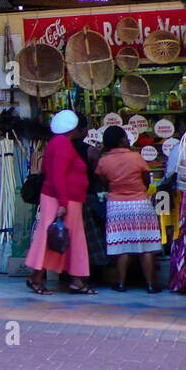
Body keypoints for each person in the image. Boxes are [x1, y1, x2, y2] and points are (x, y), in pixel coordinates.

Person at [25, 109, 95, 295]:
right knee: (54, 238)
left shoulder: (56, 143)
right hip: (63, 199)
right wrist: (63, 203)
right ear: (73, 128)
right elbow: (57, 175)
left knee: (64, 238)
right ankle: (37, 278)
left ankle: (75, 279)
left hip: (64, 198)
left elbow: (48, 170)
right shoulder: (63, 144)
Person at [95, 125, 163, 293]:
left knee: (122, 247)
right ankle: (150, 284)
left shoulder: (103, 161)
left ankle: (120, 283)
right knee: (146, 247)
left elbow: (104, 182)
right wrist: (140, 190)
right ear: (121, 140)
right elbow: (146, 179)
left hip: (116, 205)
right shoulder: (136, 157)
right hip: (140, 203)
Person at [73, 112, 110, 282]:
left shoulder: (58, 146)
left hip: (67, 198)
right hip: (87, 197)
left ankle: (74, 275)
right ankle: (88, 275)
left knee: (74, 239)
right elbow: (97, 174)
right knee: (90, 239)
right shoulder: (90, 150)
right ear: (83, 130)